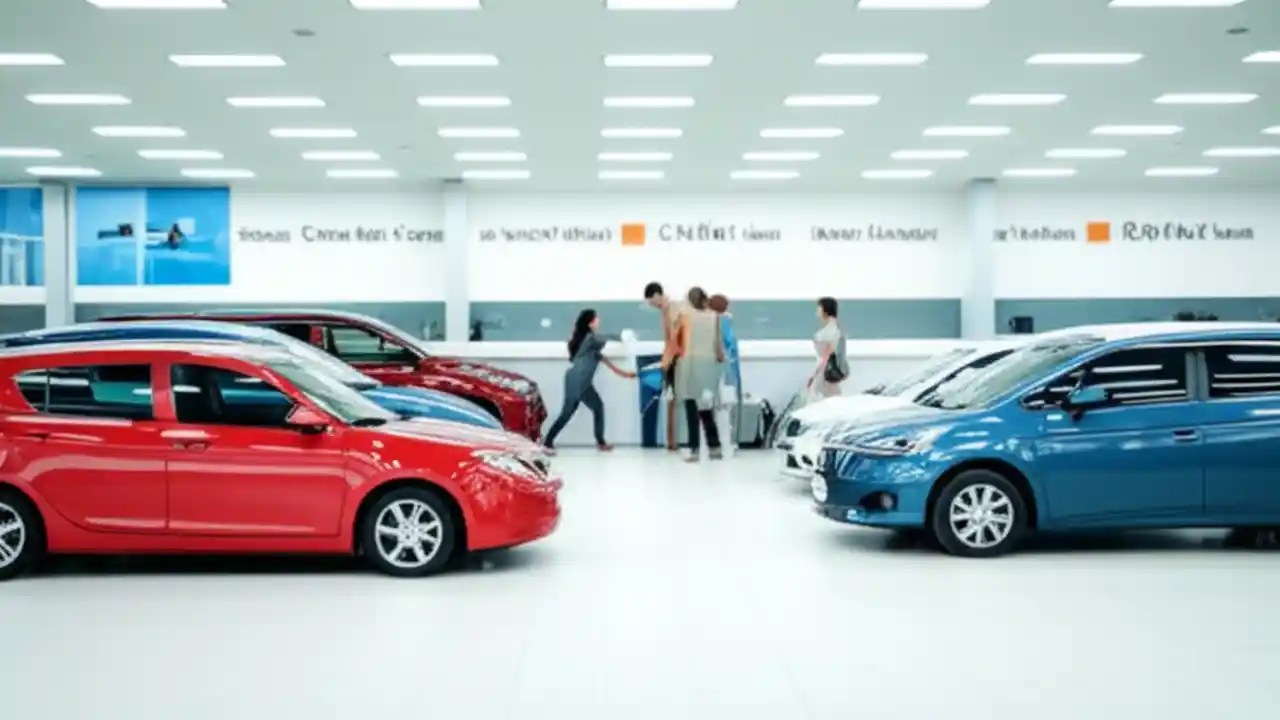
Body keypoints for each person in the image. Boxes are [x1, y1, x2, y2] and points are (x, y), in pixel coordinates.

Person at [543, 309, 636, 454]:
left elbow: (605, 361)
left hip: (583, 382)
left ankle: (600, 442)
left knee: (598, 407)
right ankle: (547, 442)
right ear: (590, 323)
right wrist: (624, 336)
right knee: (567, 413)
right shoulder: (590, 339)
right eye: (596, 318)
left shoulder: (592, 347)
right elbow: (606, 337)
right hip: (576, 381)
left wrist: (624, 374)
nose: (599, 320)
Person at [675, 287, 725, 461]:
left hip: (690, 363)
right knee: (705, 406)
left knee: (691, 407)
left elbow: (678, 341)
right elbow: (719, 347)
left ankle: (694, 449)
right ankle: (715, 447)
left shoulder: (684, 316)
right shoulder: (715, 317)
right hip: (708, 364)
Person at [644, 281, 683, 450]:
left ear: (656, 296)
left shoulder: (673, 309)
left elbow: (675, 338)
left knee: (676, 399)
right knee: (671, 399)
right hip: (672, 357)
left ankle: (675, 440)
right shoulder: (665, 310)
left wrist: (669, 359)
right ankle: (671, 441)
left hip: (678, 358)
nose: (652, 306)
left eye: (651, 302)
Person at [809, 296, 847, 399]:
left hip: (825, 370)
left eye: (819, 308)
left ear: (825, 310)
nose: (817, 311)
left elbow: (827, 353)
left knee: (825, 396)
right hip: (826, 369)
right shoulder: (834, 328)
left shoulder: (831, 330)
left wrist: (815, 374)